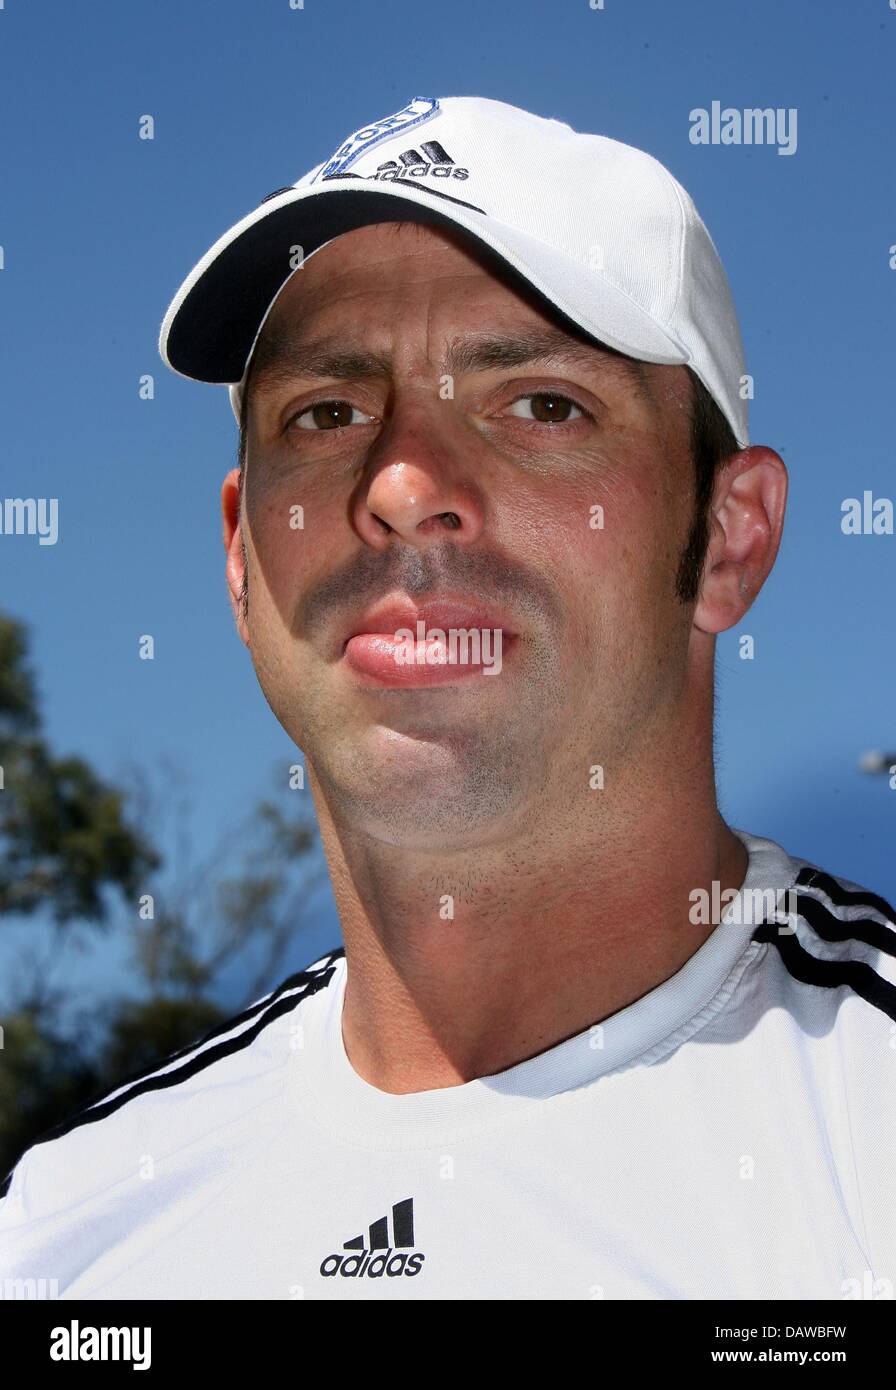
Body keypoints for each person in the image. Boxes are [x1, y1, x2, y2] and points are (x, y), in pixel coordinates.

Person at [1, 96, 893, 1301]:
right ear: (240, 556)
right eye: (327, 414)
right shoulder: (65, 1236)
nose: (402, 484)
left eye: (540, 405)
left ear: (729, 538)